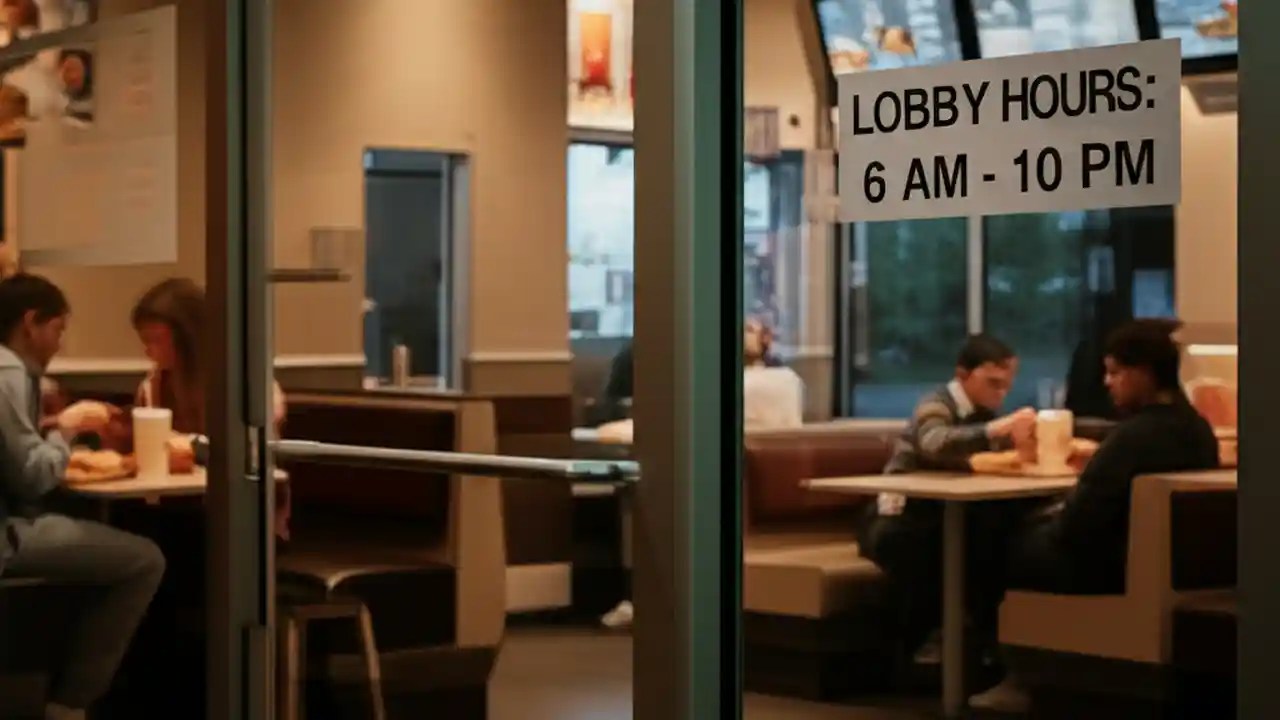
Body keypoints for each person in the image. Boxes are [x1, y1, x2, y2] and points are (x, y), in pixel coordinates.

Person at [970, 322, 1220, 713]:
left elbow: (1077, 527)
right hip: (1173, 569)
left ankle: (1008, 671)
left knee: (987, 544)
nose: (1107, 382)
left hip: (1102, 564)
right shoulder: (1198, 430)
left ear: (1143, 372)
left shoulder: (1132, 437)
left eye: (1115, 371)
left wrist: (1042, 520)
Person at [0, 273, 165, 720]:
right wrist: (69, 428)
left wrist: (54, 434)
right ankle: (70, 705)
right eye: (59, 330)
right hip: (6, 537)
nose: (59, 344)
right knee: (145, 560)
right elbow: (32, 476)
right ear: (32, 323)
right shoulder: (9, 371)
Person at [855, 334, 1037, 665]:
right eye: (992, 383)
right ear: (962, 375)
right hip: (897, 514)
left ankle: (983, 647)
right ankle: (918, 652)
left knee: (994, 538)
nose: (1001, 393)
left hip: (948, 512)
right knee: (921, 550)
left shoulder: (984, 414)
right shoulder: (936, 404)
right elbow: (935, 442)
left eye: (1006, 386)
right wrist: (997, 430)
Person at [123, 277, 290, 536]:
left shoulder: (246, 382)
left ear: (189, 337)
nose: (148, 351)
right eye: (144, 341)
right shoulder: (153, 385)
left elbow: (252, 456)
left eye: (155, 339)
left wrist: (191, 448)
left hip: (247, 516)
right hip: (177, 508)